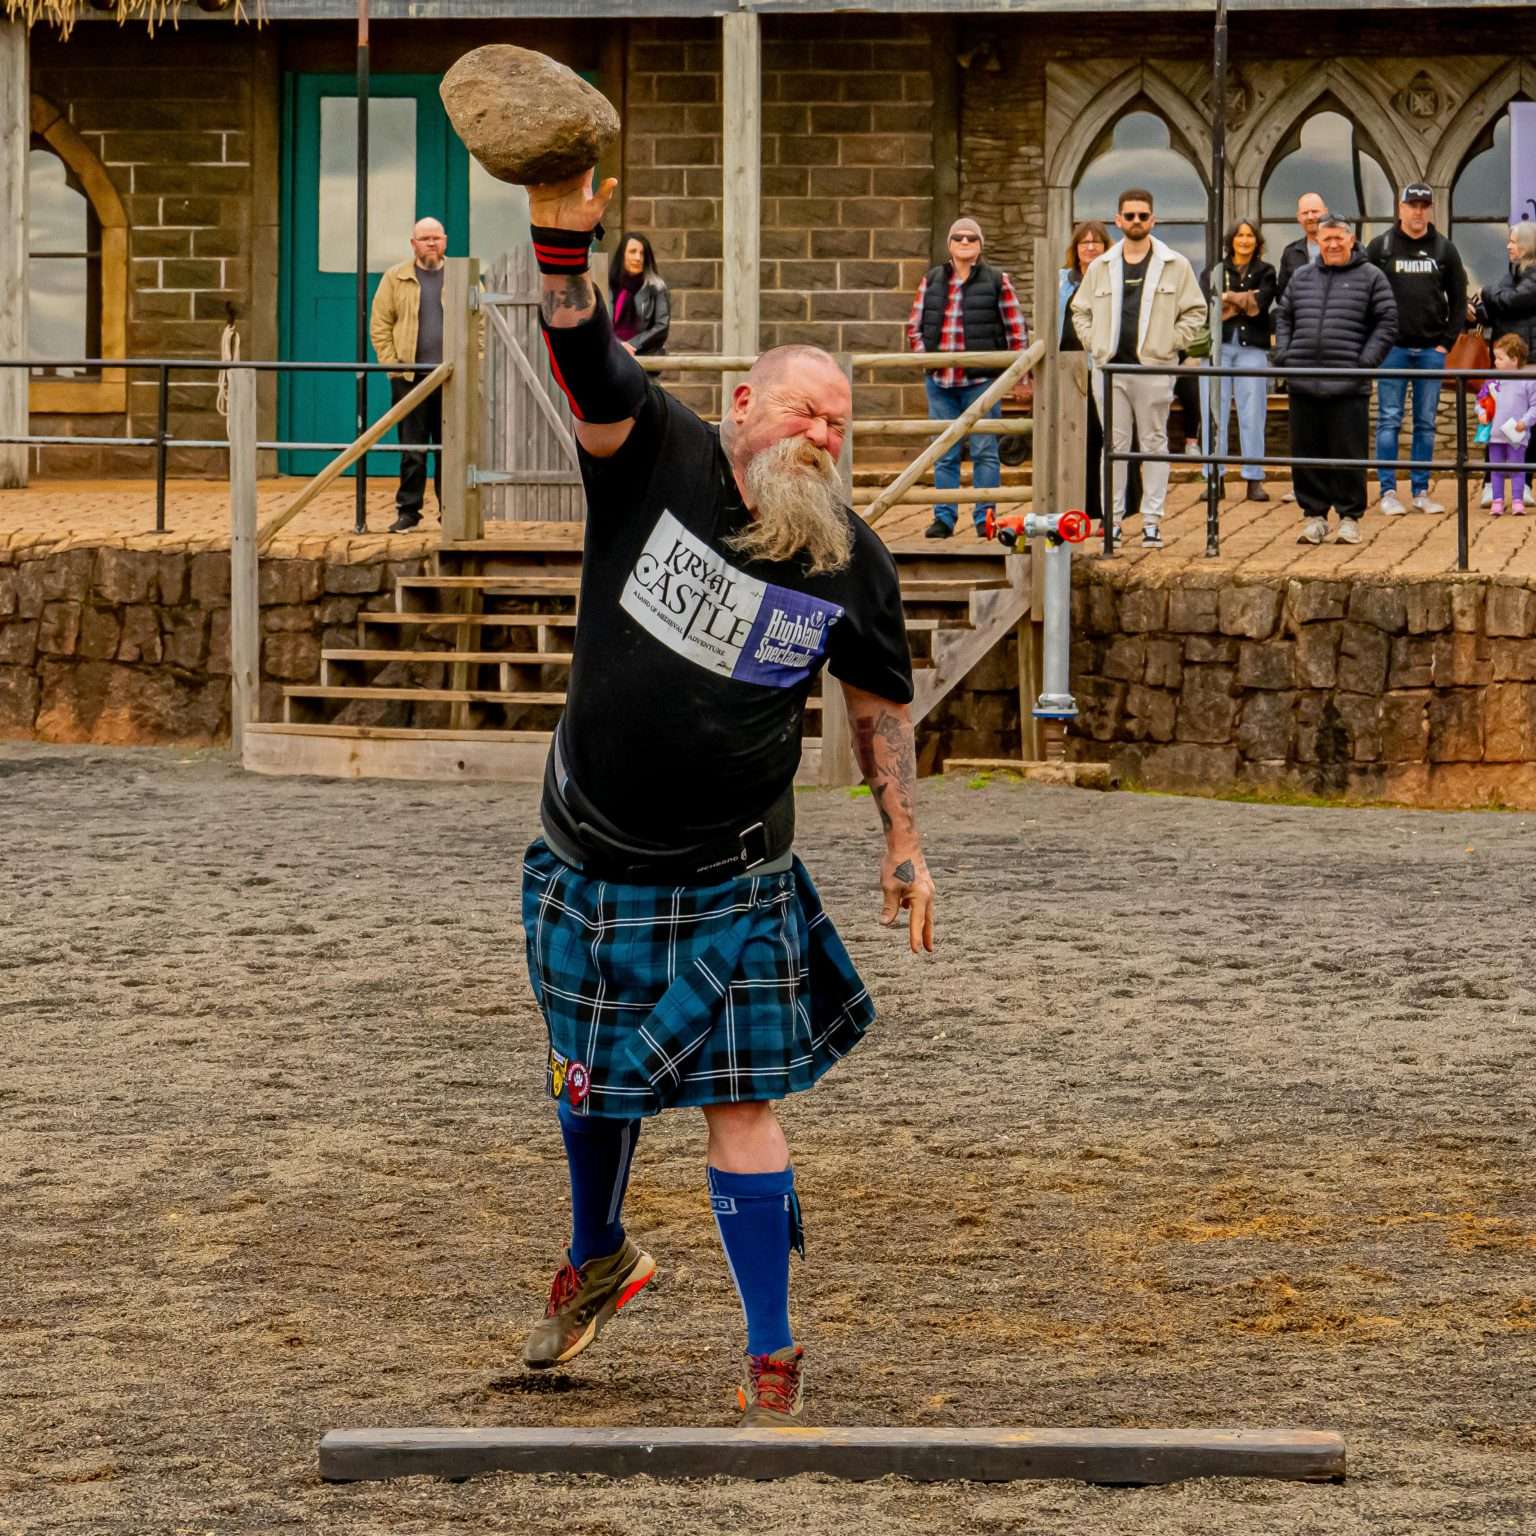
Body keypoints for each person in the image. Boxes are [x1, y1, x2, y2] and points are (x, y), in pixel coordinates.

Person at [520, 166, 935, 1427]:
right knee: (588, 1078)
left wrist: (905, 847)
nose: (825, 435)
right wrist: (563, 233)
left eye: (843, 426)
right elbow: (586, 360)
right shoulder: (657, 457)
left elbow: (878, 706)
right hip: (590, 849)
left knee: (739, 1103)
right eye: (807, 411)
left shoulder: (850, 559)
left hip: (730, 874)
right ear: (745, 402)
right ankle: (599, 1255)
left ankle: (771, 1356)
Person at [1071, 187, 1206, 548]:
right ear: (1118, 220)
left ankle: (1152, 521)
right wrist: (1094, 344)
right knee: (1112, 446)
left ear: (1153, 219)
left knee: (1154, 444)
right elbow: (1079, 310)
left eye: (1142, 215)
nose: (1135, 221)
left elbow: (1196, 310)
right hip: (1109, 369)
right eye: (1129, 215)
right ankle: (1111, 521)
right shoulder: (1101, 266)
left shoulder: (1174, 264)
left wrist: (1171, 343)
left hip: (1153, 369)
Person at [1273, 213, 1397, 546]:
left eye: (1338, 238)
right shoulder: (1301, 277)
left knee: (1348, 452)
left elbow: (1387, 322)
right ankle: (1314, 516)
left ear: (1351, 240)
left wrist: (1365, 362)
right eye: (1325, 238)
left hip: (1348, 382)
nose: (1331, 244)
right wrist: (1285, 354)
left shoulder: (1372, 277)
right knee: (1307, 452)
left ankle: (1349, 517)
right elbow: (1284, 315)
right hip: (1304, 379)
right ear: (1318, 242)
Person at [906, 216, 1031, 540]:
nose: (964, 242)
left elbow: (1017, 332)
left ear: (979, 246)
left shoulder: (996, 280)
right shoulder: (932, 280)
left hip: (981, 382)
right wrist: (926, 362)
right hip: (941, 384)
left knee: (985, 450)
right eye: (958, 238)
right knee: (943, 451)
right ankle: (943, 518)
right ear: (949, 244)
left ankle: (984, 519)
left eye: (971, 238)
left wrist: (1021, 377)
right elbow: (914, 327)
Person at [1365, 184, 1468, 516]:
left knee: (1425, 423)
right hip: (1392, 349)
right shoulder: (1380, 247)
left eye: (1424, 205)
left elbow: (1459, 300)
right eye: (1413, 205)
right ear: (1401, 207)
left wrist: (1445, 344)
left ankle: (1421, 491)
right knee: (1389, 420)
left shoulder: (1444, 249)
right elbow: (1366, 298)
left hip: (1429, 350)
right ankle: (1388, 491)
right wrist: (1377, 340)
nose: (1418, 211)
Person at [369, 217, 447, 534]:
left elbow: (480, 323)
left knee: (451, 450)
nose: (430, 243)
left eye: (435, 237)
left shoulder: (461, 277)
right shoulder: (395, 278)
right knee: (412, 450)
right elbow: (380, 324)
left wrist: (475, 362)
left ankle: (451, 512)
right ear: (412, 243)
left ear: (445, 241)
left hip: (451, 379)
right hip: (409, 378)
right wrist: (393, 365)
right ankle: (409, 512)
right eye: (424, 238)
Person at [1202, 220, 1277, 502]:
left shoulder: (1266, 271)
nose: (1244, 240)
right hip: (1217, 349)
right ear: (1231, 240)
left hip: (1253, 350)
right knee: (1213, 414)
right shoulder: (1215, 270)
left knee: (1253, 415)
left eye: (1249, 236)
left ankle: (1254, 479)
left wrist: (1228, 298)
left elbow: (1262, 306)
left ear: (1256, 242)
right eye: (1240, 236)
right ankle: (1213, 479)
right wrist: (1246, 299)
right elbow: (1209, 305)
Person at [1474, 223, 1536, 507]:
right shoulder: (1510, 274)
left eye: (1513, 242)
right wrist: (1483, 308)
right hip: (1505, 361)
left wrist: (1486, 293)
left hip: (1530, 360)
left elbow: (1513, 302)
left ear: (1527, 245)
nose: (1508, 246)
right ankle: (1491, 482)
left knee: (1528, 425)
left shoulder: (1532, 278)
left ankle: (1524, 484)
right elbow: (1499, 307)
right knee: (1496, 419)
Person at [1058, 220, 1110, 522]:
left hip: (1098, 366)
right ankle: (1075, 505)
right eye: (1084, 242)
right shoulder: (1063, 280)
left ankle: (1104, 507)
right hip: (1067, 370)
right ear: (1075, 249)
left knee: (1101, 437)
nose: (1090, 247)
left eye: (1097, 242)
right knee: (1073, 441)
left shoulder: (1110, 279)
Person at [1478, 334, 1536, 517]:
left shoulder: (1528, 381)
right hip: (1495, 435)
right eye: (1495, 358)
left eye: (1500, 358)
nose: (1496, 362)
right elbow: (1481, 401)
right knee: (1496, 469)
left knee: (1518, 468)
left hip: (1517, 435)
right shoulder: (1491, 380)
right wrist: (1481, 414)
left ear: (1514, 359)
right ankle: (1498, 500)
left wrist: (1525, 422)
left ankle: (1517, 500)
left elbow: (1535, 406)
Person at [611, 230, 670, 356]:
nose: (638, 258)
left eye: (642, 253)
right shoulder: (609, 285)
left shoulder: (656, 287)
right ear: (622, 255)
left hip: (644, 358)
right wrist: (618, 345)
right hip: (611, 356)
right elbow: (600, 323)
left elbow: (661, 327)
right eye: (632, 252)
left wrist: (632, 345)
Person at [1276, 192, 1327, 298]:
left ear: (1325, 213)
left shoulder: (1340, 249)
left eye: (1315, 211)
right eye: (1305, 213)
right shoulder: (1290, 252)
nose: (1310, 217)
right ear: (1298, 217)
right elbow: (1282, 295)